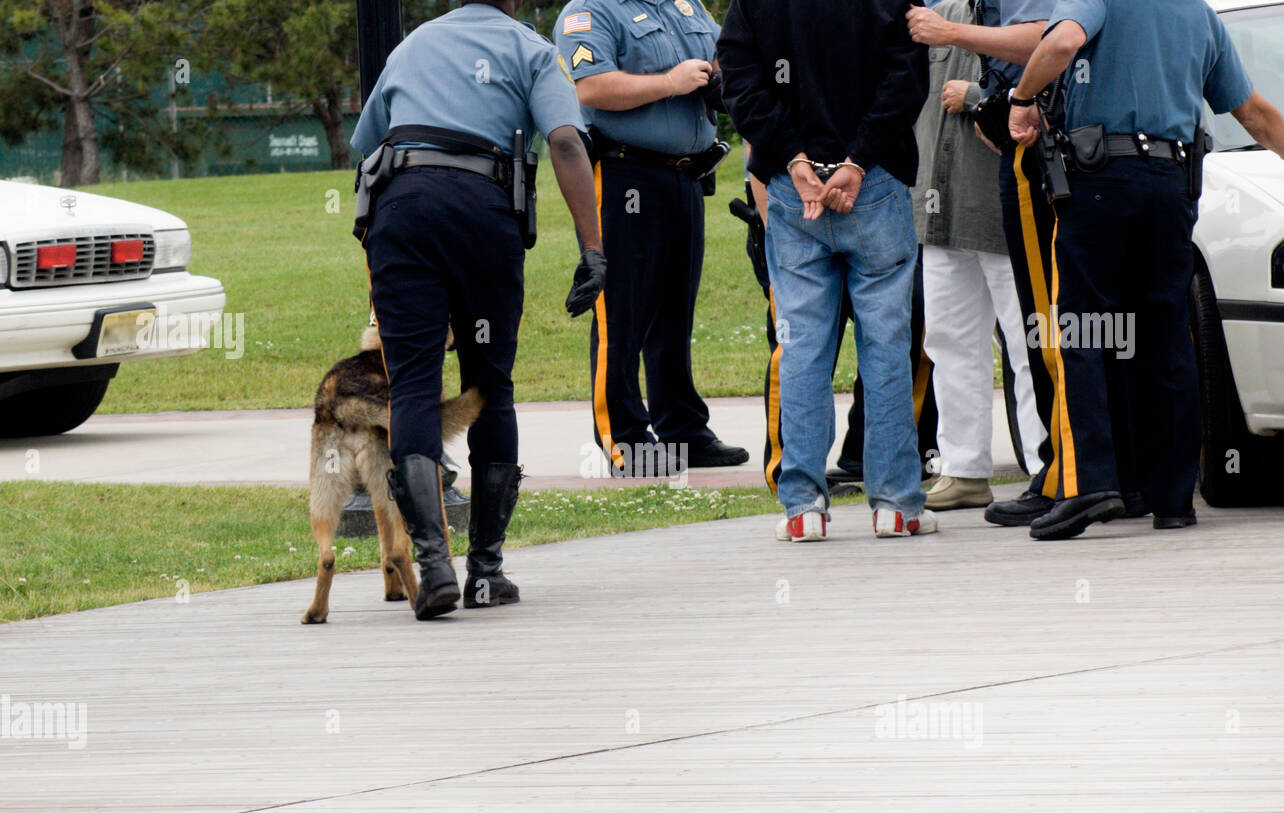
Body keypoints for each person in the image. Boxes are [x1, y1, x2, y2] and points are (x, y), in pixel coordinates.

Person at [351, 0, 607, 619]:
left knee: (412, 383)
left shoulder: (410, 47)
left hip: (401, 210)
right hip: (482, 212)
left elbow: (364, 147)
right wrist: (594, 249)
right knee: (489, 383)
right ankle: (485, 570)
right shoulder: (532, 51)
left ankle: (433, 567)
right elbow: (567, 142)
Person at [1008, 0, 1284, 539]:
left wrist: (1021, 99)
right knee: (1164, 338)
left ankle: (1093, 483)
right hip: (1172, 184)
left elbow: (1061, 43)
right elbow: (1253, 114)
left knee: (1084, 329)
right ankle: (1171, 497)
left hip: (1100, 181)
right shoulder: (1198, 15)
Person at [720, 0, 938, 542]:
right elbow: (906, 79)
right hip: (874, 181)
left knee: (803, 347)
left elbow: (741, 82)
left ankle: (803, 506)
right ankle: (895, 504)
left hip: (797, 189)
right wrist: (858, 161)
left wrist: (793, 159)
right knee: (887, 344)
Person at [552, 0, 748, 478]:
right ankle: (624, 439)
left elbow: (727, 56)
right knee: (622, 311)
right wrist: (669, 83)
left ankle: (683, 429)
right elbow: (591, 87)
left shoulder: (685, 5)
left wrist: (721, 77)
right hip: (624, 173)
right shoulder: (590, 11)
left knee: (673, 312)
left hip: (684, 176)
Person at [908, 0, 1068, 526]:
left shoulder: (1022, 4)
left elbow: (1048, 59)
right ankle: (964, 469)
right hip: (941, 204)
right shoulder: (931, 8)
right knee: (949, 339)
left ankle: (1047, 466)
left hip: (1005, 201)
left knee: (1029, 343)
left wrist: (979, 97)